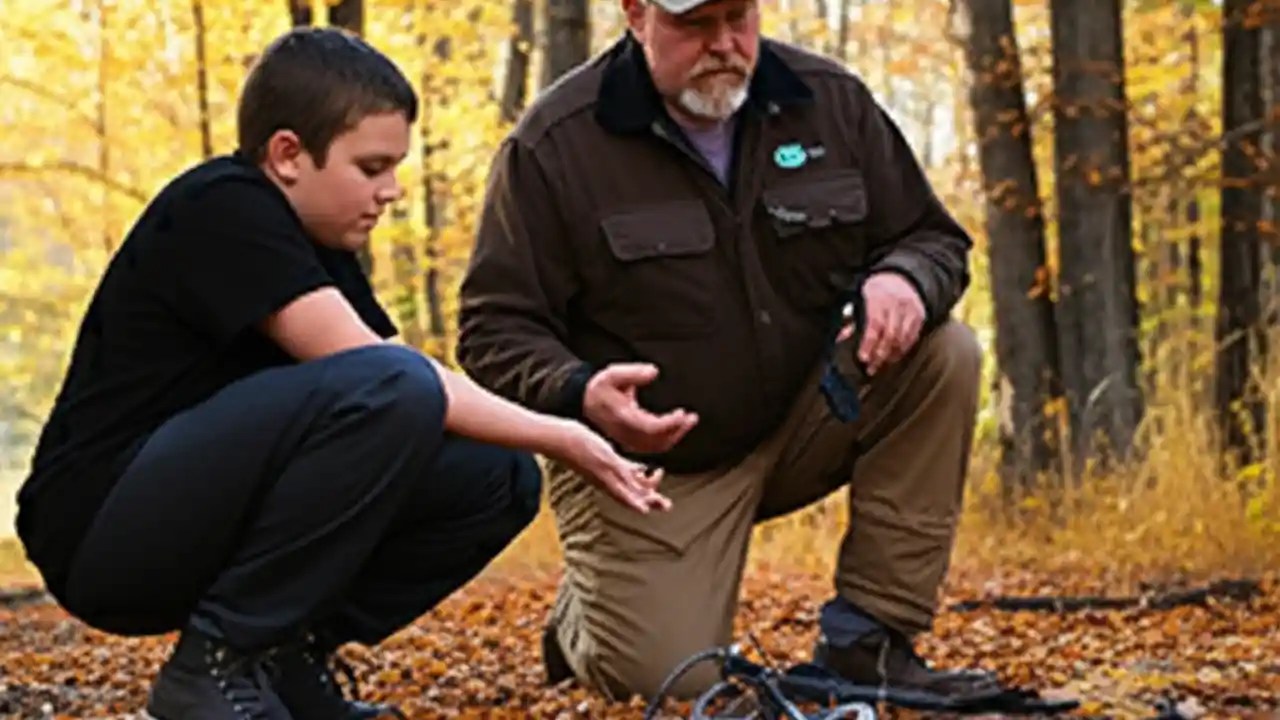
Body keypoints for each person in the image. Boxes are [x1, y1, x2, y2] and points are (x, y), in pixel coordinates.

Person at [14, 27, 669, 720]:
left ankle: (284, 657)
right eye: (372, 167)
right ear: (288, 154)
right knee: (392, 388)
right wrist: (566, 437)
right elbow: (386, 376)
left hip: (193, 514)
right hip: (102, 532)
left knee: (493, 476)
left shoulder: (319, 244)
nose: (390, 192)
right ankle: (213, 665)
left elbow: (415, 384)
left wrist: (563, 419)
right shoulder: (222, 206)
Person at [457, 0, 998, 705]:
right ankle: (586, 620)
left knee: (946, 352)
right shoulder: (556, 143)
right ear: (635, 13)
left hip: (809, 417)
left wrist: (905, 279)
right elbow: (492, 326)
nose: (724, 44)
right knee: (669, 679)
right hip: (651, 465)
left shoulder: (832, 103)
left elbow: (932, 238)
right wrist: (581, 390)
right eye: (695, 23)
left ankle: (870, 640)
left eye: (738, 17)